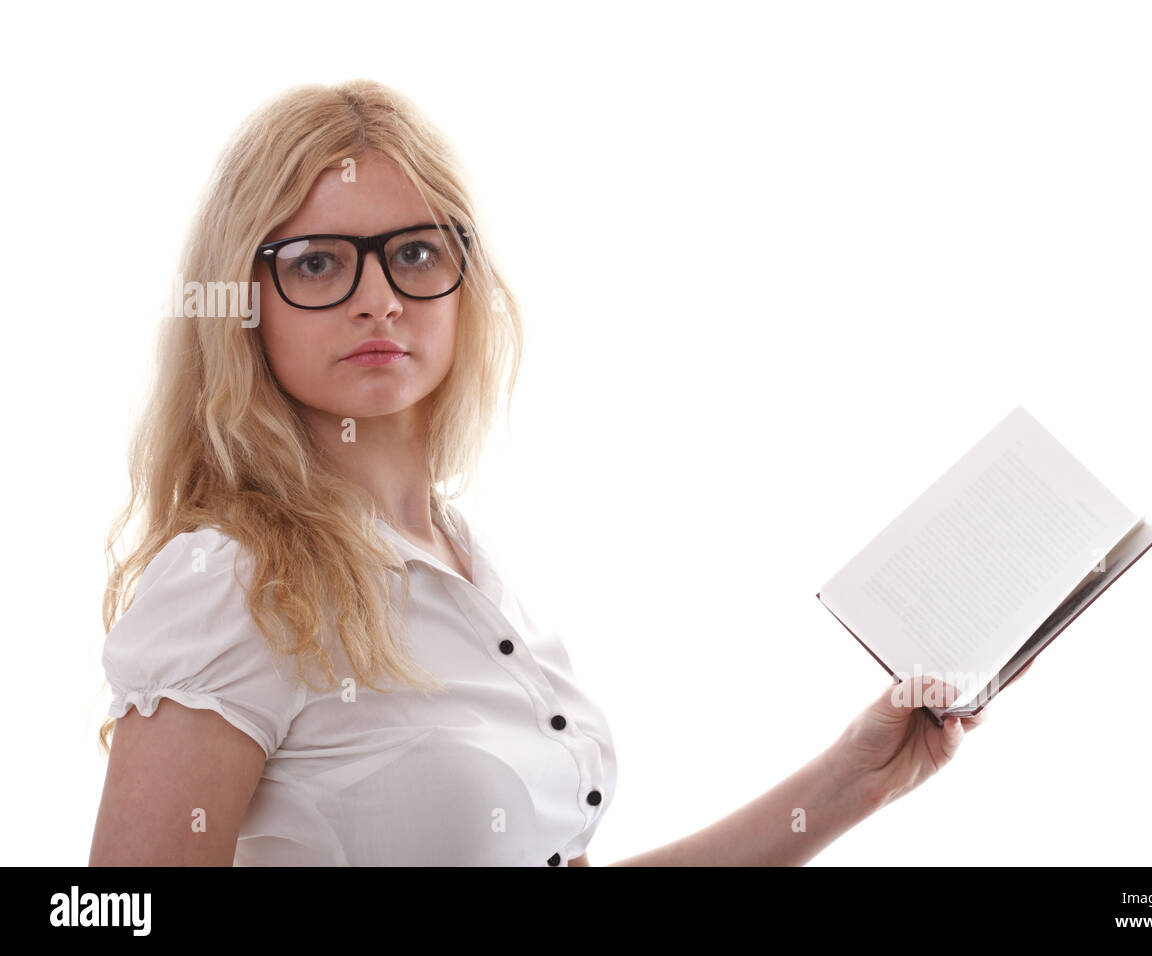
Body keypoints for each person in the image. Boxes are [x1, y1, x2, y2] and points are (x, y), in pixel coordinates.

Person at [88, 79, 1026, 867]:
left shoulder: (468, 561)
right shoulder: (231, 583)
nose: (377, 299)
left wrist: (851, 783)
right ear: (243, 302)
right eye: (318, 262)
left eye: (415, 253)